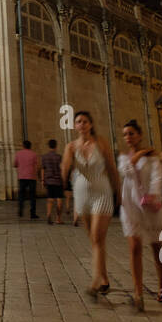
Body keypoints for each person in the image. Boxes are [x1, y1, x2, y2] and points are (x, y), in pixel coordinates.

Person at [61, 111, 121, 298]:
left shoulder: (101, 142)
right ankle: (104, 278)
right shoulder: (71, 146)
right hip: (82, 195)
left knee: (96, 236)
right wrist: (65, 170)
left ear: (91, 124)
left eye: (85, 121)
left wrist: (118, 191)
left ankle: (95, 280)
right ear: (75, 126)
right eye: (79, 121)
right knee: (95, 240)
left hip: (102, 193)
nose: (82, 124)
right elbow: (65, 170)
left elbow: (111, 167)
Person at [118, 120, 162, 310]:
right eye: (125, 134)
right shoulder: (124, 158)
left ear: (139, 135)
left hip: (150, 205)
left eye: (131, 133)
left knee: (156, 246)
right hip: (130, 206)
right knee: (134, 246)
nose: (128, 137)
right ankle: (138, 293)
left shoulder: (153, 158)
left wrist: (154, 194)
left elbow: (157, 177)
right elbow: (125, 171)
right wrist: (139, 154)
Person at [14, 140, 42, 220]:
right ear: (30, 146)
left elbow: (15, 164)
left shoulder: (18, 154)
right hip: (32, 177)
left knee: (21, 195)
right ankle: (33, 213)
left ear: (23, 146)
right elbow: (37, 166)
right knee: (32, 196)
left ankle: (20, 210)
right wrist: (38, 176)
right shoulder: (34, 154)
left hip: (22, 177)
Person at [41, 139, 64, 224]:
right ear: (56, 146)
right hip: (58, 180)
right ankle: (58, 218)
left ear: (48, 146)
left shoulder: (44, 157)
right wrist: (64, 180)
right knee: (59, 200)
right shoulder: (59, 157)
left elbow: (43, 169)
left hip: (49, 180)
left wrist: (42, 180)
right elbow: (62, 169)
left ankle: (48, 214)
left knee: (50, 199)